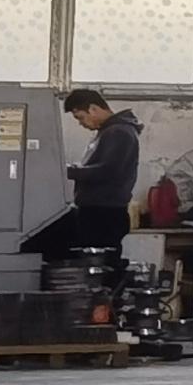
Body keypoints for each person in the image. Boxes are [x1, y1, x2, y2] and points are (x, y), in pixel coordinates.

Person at [27, 86, 142, 262]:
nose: (81, 123)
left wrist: (64, 170)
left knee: (94, 263)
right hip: (95, 211)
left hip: (103, 215)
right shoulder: (108, 132)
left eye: (81, 117)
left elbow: (107, 171)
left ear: (93, 108)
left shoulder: (119, 132)